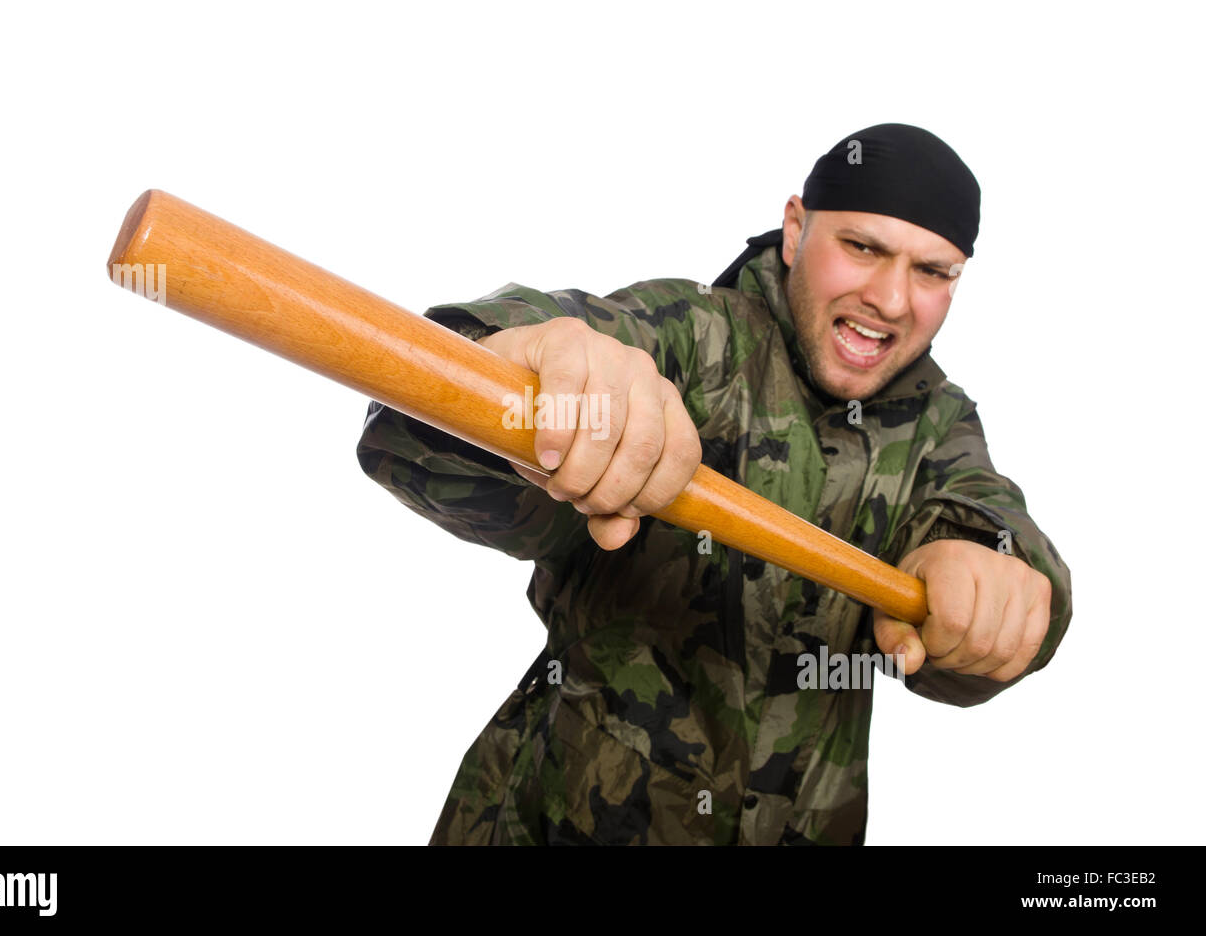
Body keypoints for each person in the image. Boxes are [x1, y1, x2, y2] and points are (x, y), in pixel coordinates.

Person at [355, 123, 1072, 845]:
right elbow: (432, 414)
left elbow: (989, 520)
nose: (890, 297)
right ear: (796, 230)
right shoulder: (695, 335)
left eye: (933, 271)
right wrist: (523, 361)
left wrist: (992, 572)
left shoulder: (940, 422)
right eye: (862, 247)